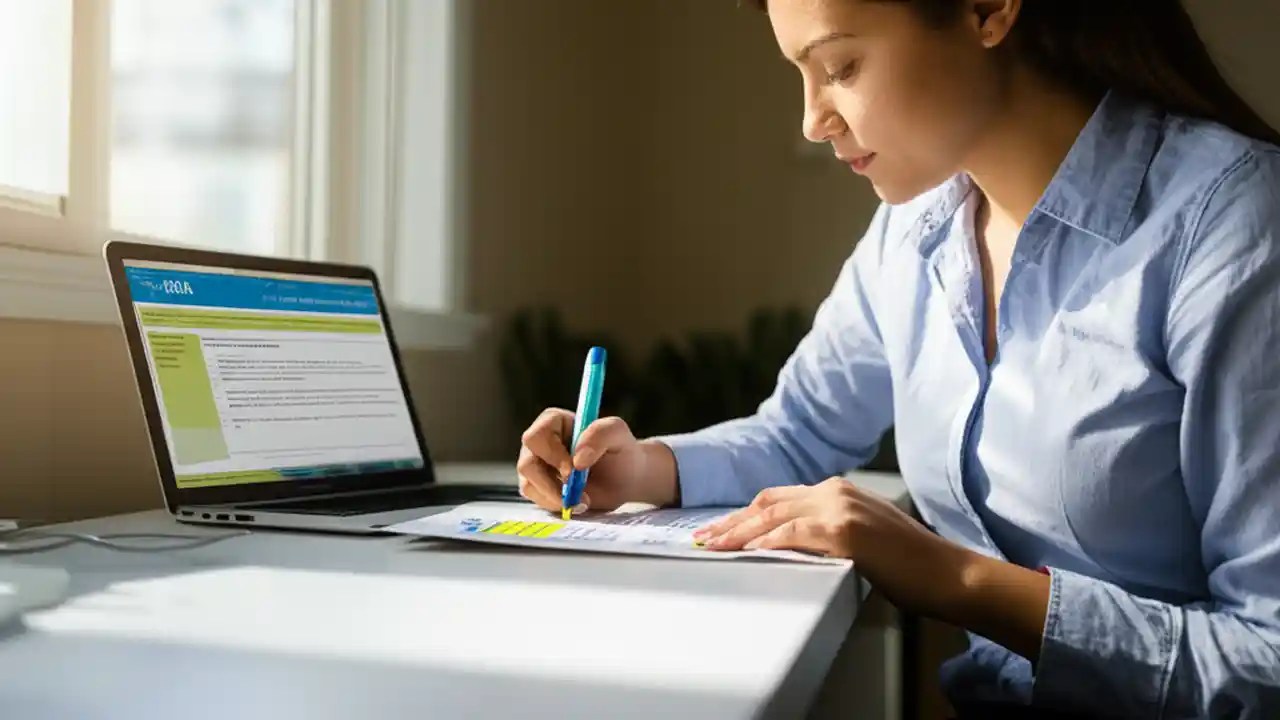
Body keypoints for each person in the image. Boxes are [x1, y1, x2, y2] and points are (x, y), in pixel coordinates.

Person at [516, 1, 1280, 717]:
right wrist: (644, 470)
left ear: (987, 9)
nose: (813, 120)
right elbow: (797, 435)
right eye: (801, 74)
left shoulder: (1229, 225)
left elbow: (1266, 657)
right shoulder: (917, 230)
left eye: (841, 68)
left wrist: (955, 578)